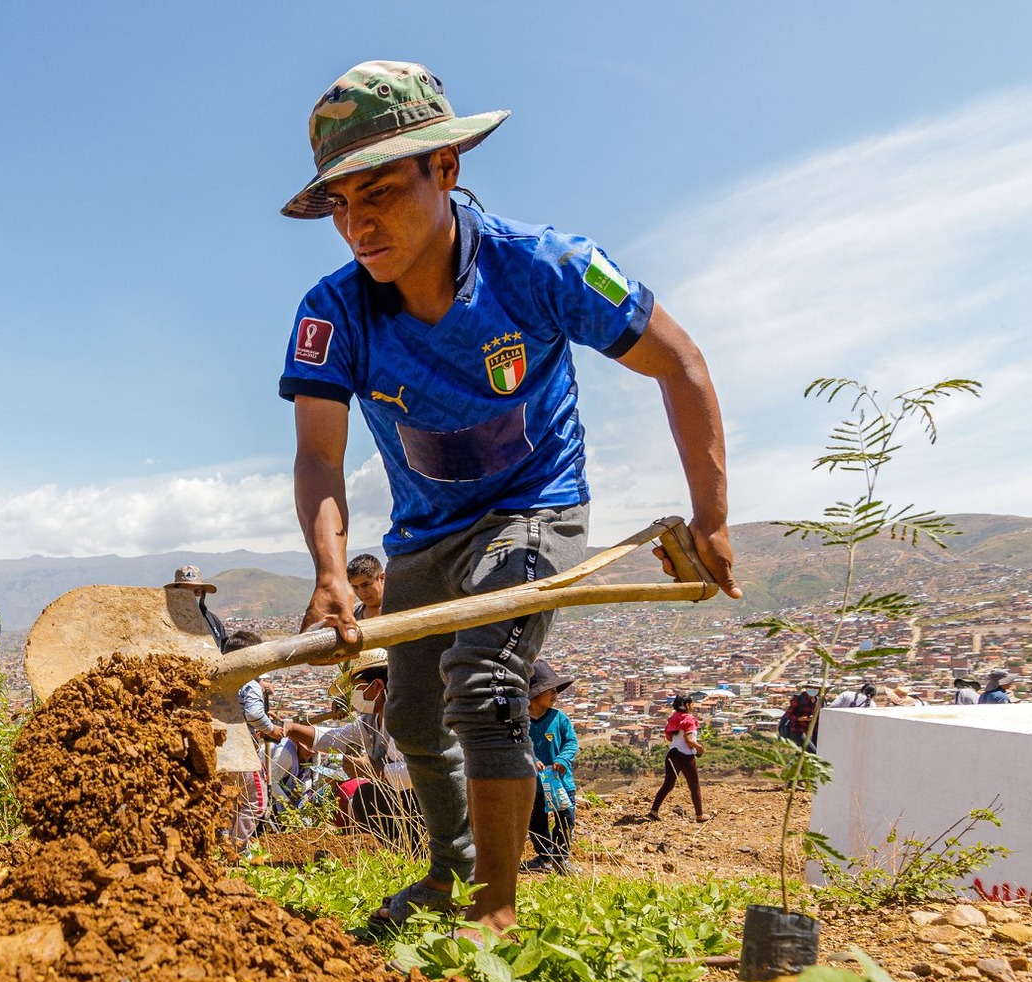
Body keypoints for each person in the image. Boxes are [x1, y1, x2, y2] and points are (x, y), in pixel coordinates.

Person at [277, 61, 740, 931]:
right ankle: (447, 877)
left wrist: (711, 518)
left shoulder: (545, 266)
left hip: (536, 508)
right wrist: (331, 572)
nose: (357, 223)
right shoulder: (332, 313)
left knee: (486, 680)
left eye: (377, 192)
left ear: (445, 169)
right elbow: (317, 459)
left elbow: (679, 361)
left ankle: (498, 910)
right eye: (340, 204)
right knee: (411, 714)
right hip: (423, 535)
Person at [282, 650, 418, 852]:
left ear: (378, 686)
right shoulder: (372, 720)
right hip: (400, 799)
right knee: (364, 797)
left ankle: (412, 850)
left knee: (367, 796)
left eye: (357, 688)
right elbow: (335, 738)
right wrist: (291, 730)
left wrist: (375, 771)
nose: (355, 695)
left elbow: (418, 772)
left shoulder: (406, 718)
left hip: (422, 801)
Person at [224, 628, 276, 848]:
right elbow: (254, 713)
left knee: (229, 801)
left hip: (225, 752)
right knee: (256, 802)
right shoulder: (251, 684)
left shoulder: (225, 681)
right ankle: (236, 847)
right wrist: (271, 728)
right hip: (244, 754)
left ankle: (221, 843)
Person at [524, 661, 578, 873]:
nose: (555, 694)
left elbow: (571, 742)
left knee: (565, 819)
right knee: (536, 821)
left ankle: (561, 858)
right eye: (550, 690)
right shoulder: (523, 723)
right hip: (534, 784)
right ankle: (544, 857)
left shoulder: (559, 718)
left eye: (556, 690)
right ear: (534, 695)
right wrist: (531, 759)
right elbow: (518, 745)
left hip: (561, 781)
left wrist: (563, 759)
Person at [648, 694, 706, 823]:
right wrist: (700, 748)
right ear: (686, 706)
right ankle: (699, 815)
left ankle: (654, 811)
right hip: (685, 756)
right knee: (694, 785)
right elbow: (689, 739)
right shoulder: (689, 720)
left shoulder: (673, 719)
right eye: (691, 703)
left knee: (668, 784)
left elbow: (670, 738)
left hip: (672, 754)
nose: (693, 705)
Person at [168, 565, 227, 650]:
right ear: (175, 592)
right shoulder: (167, 620)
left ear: (202, 593)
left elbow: (225, 651)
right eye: (185, 592)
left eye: (196, 591)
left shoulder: (212, 620)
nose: (191, 596)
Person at [347, 552, 386, 617]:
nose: (361, 593)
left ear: (382, 578)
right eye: (355, 587)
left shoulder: (402, 607)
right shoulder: (351, 616)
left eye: (365, 585)